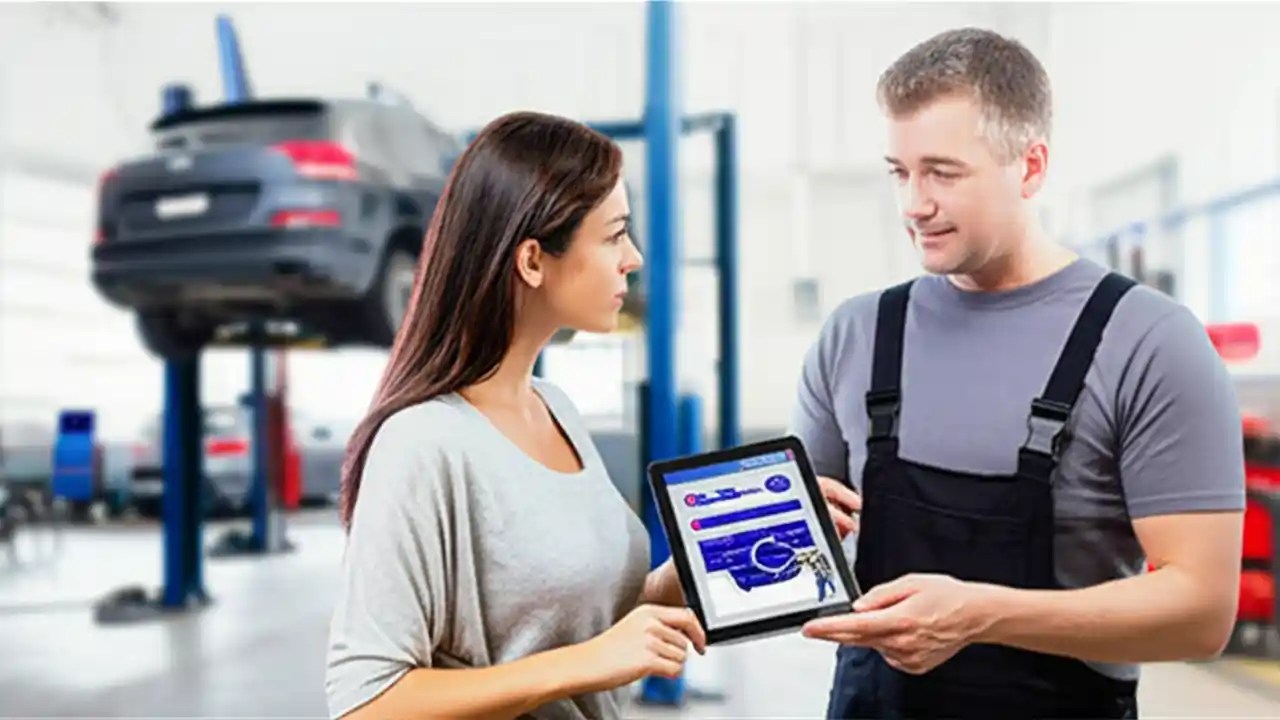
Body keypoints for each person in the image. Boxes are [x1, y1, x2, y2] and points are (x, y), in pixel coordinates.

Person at [793, 27, 1245, 719]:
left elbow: (1202, 613)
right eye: (899, 171)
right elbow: (796, 559)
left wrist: (983, 615)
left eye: (942, 172)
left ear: (1030, 167)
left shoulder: (1150, 342)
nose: (913, 203)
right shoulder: (855, 335)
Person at [324, 111, 707, 720]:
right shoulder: (423, 442)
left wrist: (712, 554)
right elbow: (364, 703)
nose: (632, 257)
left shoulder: (556, 409)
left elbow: (585, 620)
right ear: (532, 261)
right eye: (613, 235)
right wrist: (584, 664)